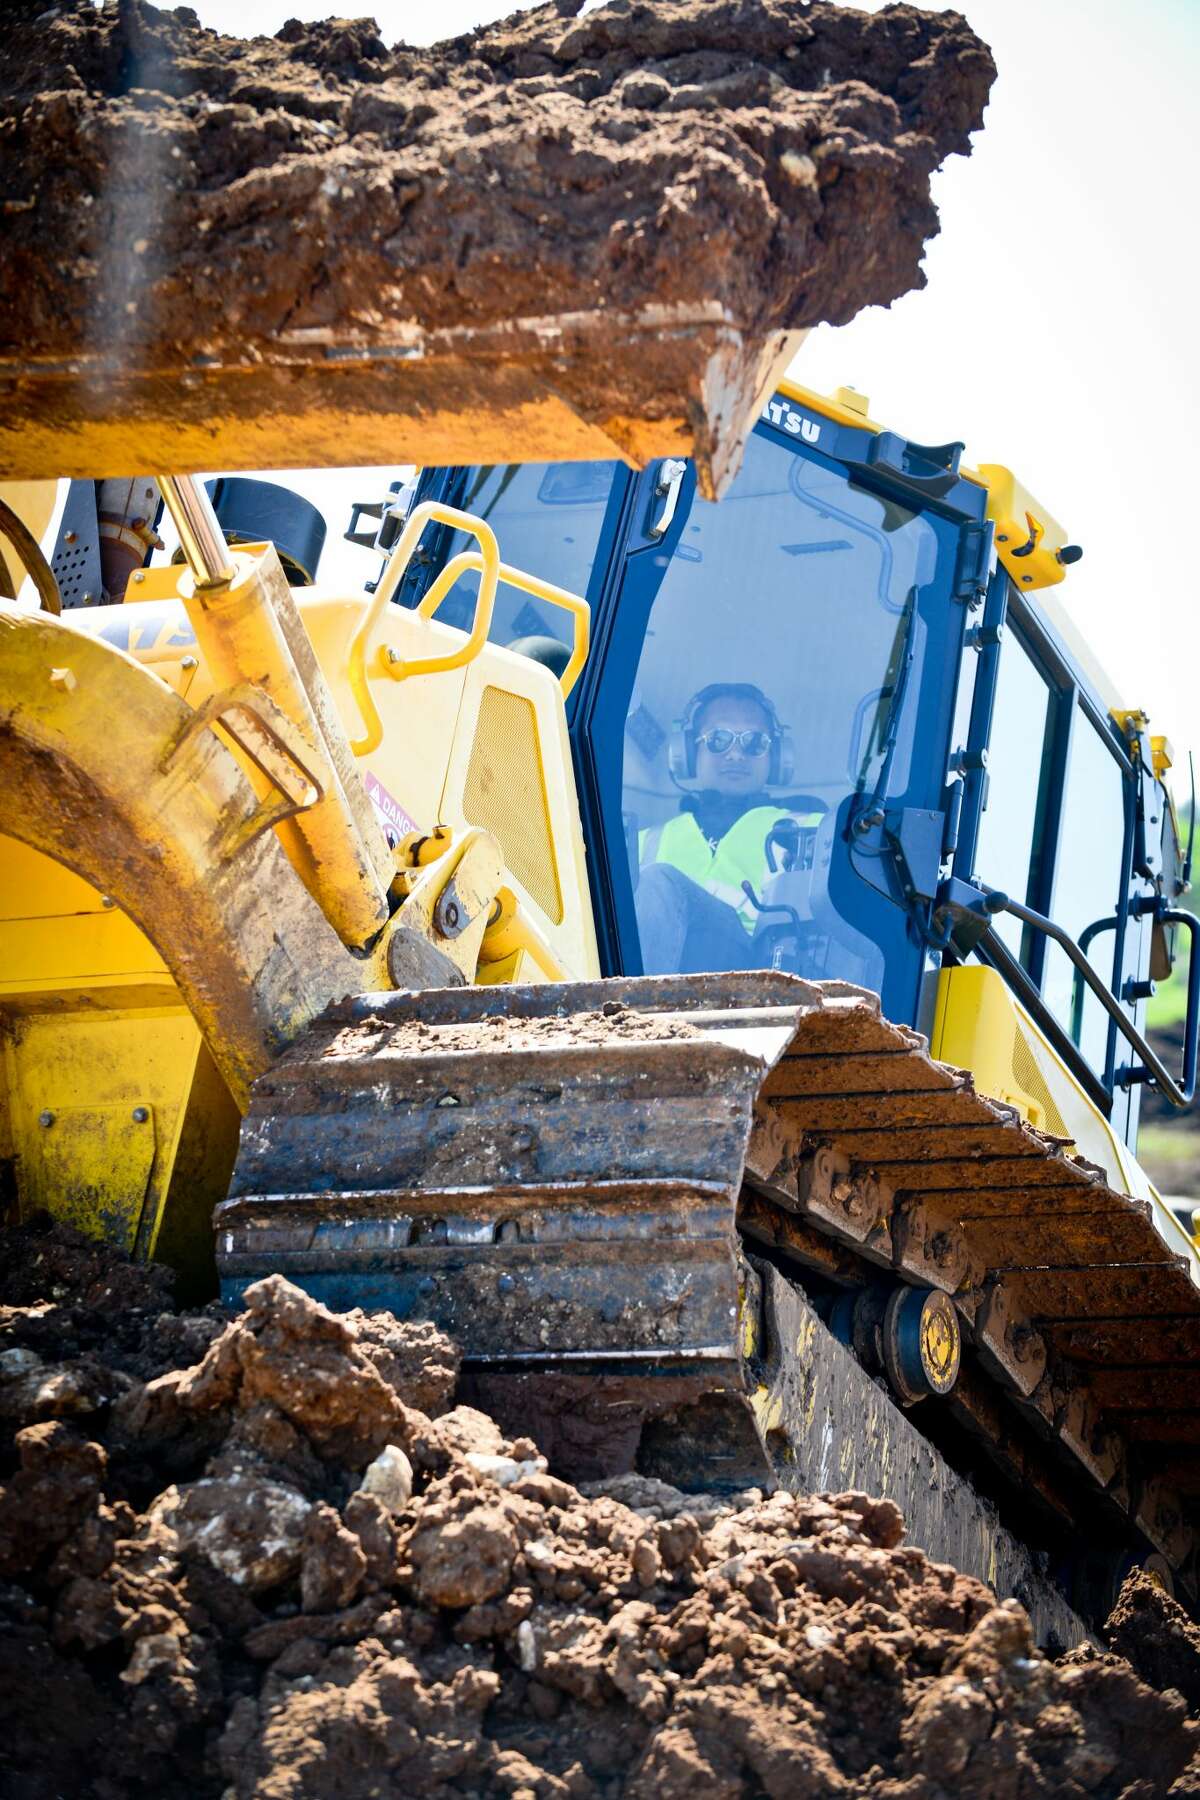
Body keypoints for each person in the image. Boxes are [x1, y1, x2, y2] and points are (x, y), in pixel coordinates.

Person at [635, 682, 812, 974]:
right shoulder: (641, 843)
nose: (735, 755)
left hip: (756, 974)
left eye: (754, 742)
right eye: (719, 739)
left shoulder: (808, 829)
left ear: (776, 756)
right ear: (688, 753)